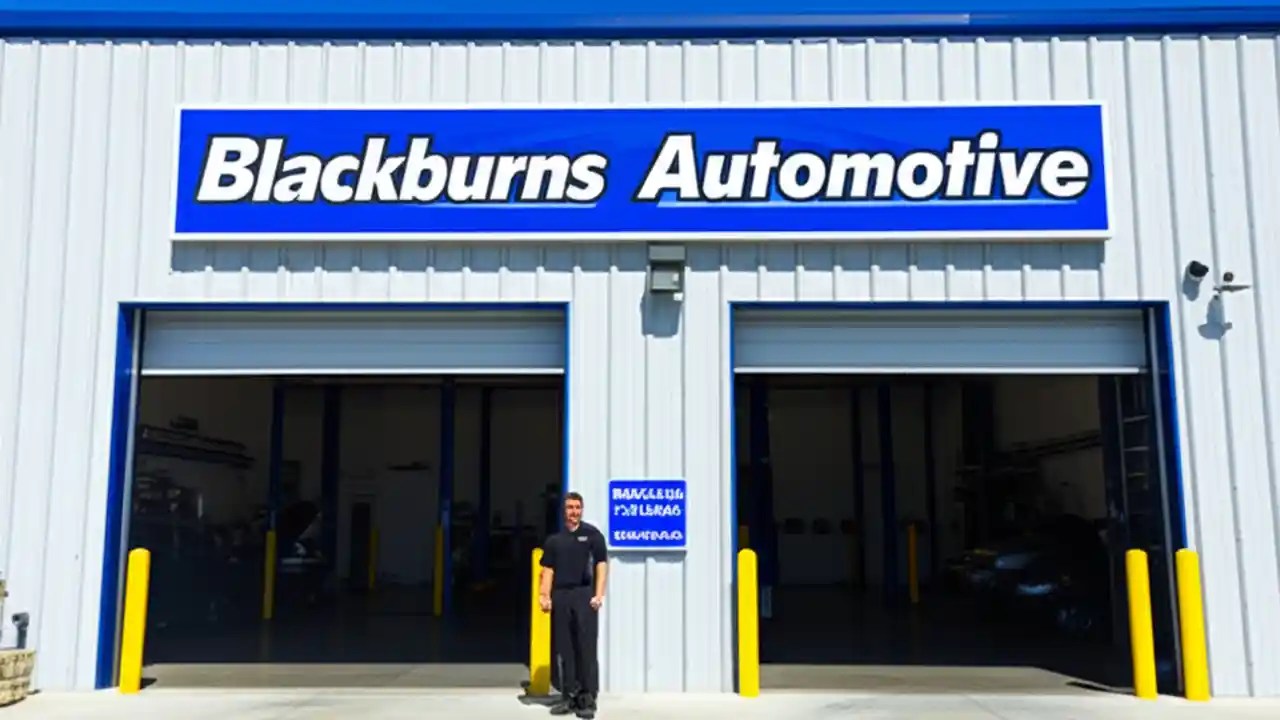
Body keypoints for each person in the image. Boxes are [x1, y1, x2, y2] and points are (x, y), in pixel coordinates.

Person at [539, 492, 608, 718]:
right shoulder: (554, 541)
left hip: (584, 595)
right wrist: (544, 595)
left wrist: (598, 595)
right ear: (564, 511)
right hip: (561, 596)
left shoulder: (592, 536)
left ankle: (587, 699)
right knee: (565, 649)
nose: (574, 512)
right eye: (570, 508)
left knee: (585, 647)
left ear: (582, 510)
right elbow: (547, 570)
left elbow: (601, 564)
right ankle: (569, 696)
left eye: (577, 507)